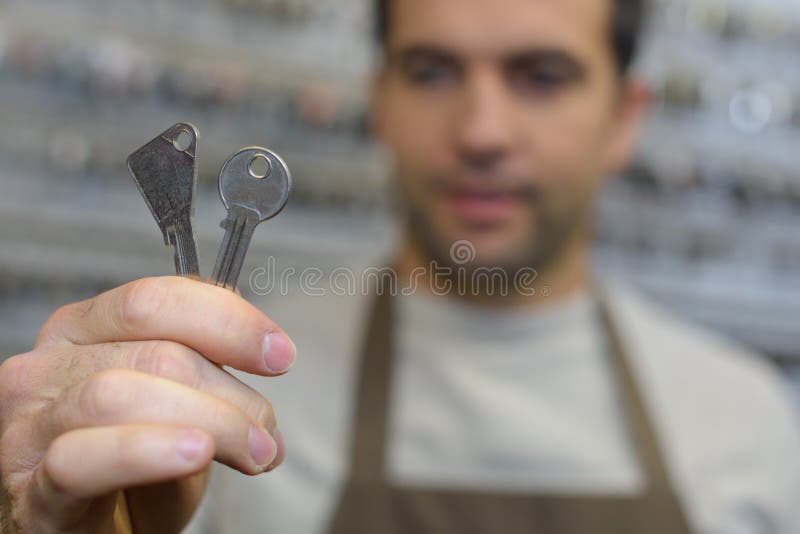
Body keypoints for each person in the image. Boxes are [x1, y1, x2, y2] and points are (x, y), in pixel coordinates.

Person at [1, 0, 799, 532]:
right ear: (380, 99)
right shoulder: (224, 390)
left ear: (625, 117)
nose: (483, 130)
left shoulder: (749, 425)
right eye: (433, 71)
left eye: (542, 76)